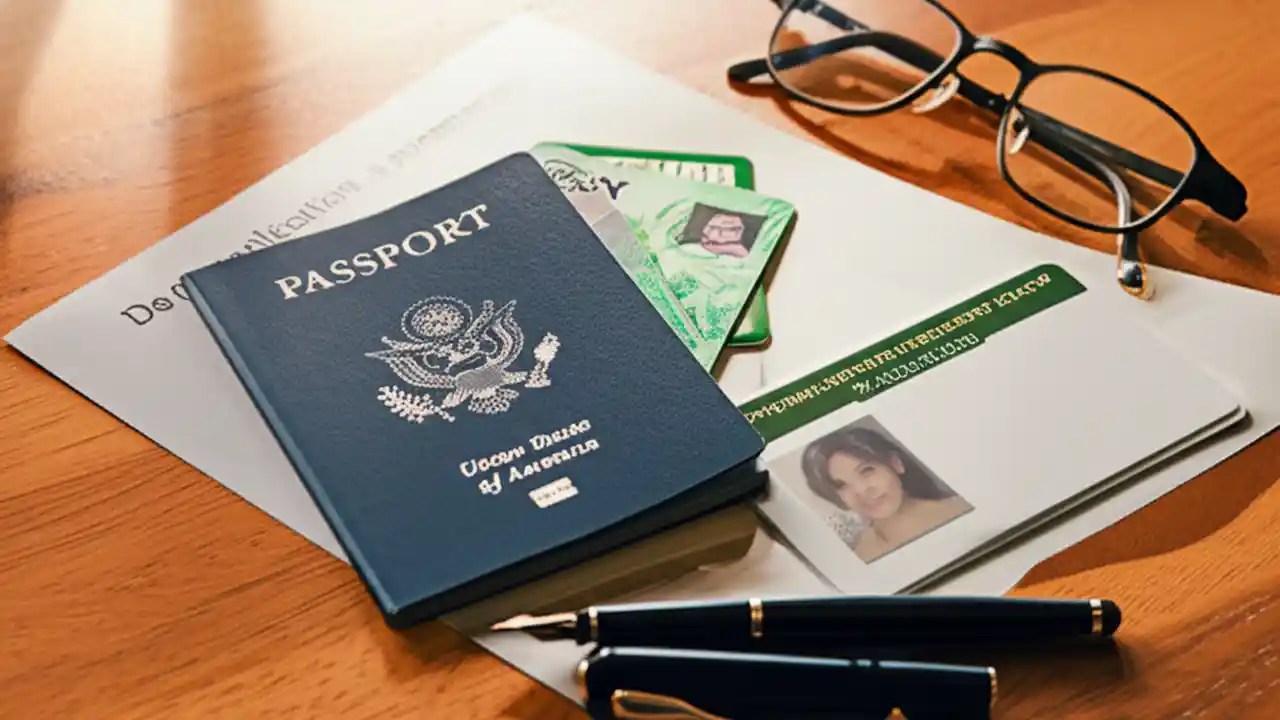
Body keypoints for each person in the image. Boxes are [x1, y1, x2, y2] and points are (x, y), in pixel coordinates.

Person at [802, 426, 970, 562]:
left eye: (867, 471)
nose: (861, 491)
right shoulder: (861, 556)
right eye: (841, 485)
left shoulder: (960, 510)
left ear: (896, 463)